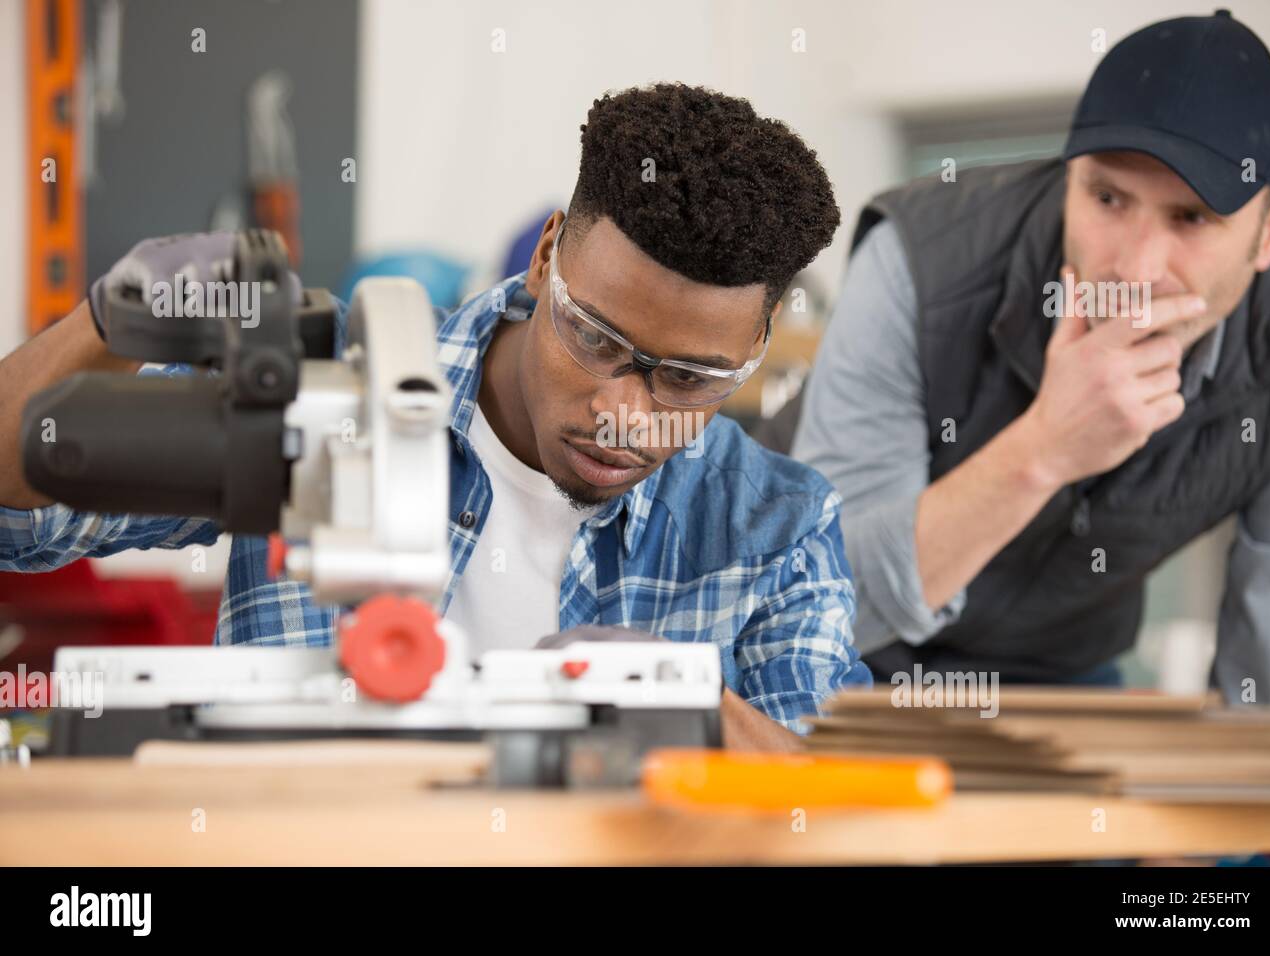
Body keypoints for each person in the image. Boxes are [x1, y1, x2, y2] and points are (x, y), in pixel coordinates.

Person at [0, 83, 870, 747]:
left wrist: (681, 703)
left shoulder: (775, 525)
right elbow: (16, 516)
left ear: (756, 347)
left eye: (689, 379)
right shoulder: (320, 375)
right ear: (545, 259)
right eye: (597, 339)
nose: (625, 414)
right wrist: (112, 318)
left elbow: (834, 804)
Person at [788, 11, 1270, 704]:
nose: (1136, 270)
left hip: (1062, 679)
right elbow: (822, 606)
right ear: (1069, 176)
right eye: (1108, 197)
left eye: (1192, 218)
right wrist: (1047, 448)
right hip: (841, 667)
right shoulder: (920, 257)